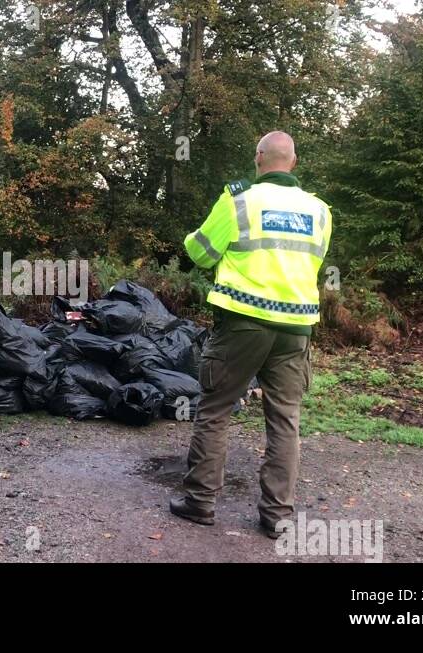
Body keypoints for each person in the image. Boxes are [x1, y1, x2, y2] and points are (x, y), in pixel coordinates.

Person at [171, 131, 333, 538]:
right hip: (295, 329)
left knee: (215, 409)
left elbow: (198, 252)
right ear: (293, 162)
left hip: (242, 322)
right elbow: (313, 263)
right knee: (285, 420)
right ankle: (277, 515)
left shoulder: (238, 201)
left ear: (258, 158)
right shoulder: (319, 211)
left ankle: (200, 501)